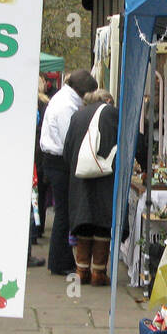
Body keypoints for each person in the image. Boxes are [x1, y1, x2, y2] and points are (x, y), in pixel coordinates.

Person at [38, 69, 97, 275]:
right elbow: (68, 139)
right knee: (63, 213)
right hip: (58, 162)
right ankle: (59, 261)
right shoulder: (66, 106)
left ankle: (61, 259)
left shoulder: (63, 99)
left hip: (54, 161)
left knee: (63, 212)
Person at [63, 88, 118, 286]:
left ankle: (81, 270)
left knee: (84, 222)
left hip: (80, 177)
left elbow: (67, 148)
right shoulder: (111, 113)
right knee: (102, 223)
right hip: (104, 177)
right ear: (107, 100)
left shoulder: (77, 115)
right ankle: (98, 273)